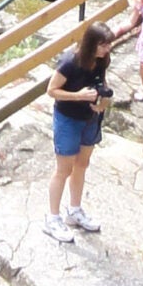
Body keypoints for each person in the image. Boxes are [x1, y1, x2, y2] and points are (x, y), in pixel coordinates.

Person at [44, 21, 112, 240]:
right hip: (67, 119)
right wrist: (78, 96)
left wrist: (102, 103)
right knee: (63, 169)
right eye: (103, 45)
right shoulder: (69, 63)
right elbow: (52, 90)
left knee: (81, 165)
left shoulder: (101, 61)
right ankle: (52, 218)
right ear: (91, 44)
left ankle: (75, 210)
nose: (106, 50)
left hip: (90, 118)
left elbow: (103, 85)